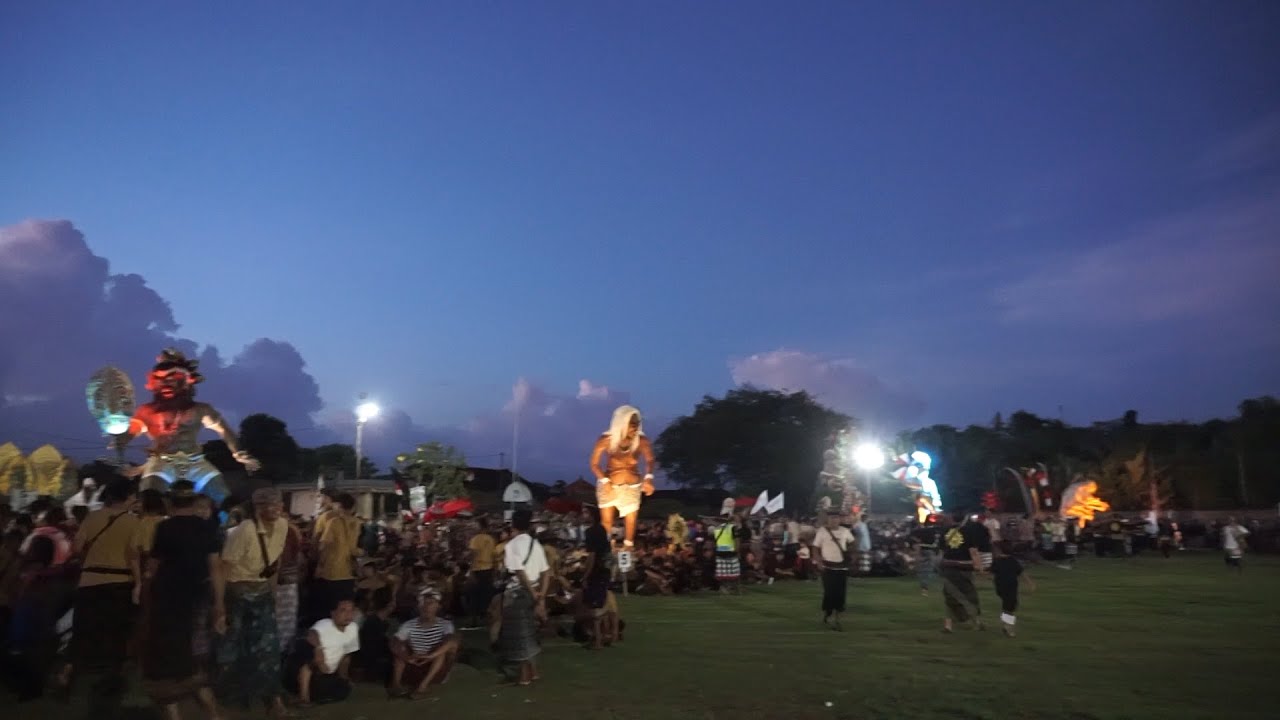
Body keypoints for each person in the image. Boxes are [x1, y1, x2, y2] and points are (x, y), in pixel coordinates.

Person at [141, 481, 224, 720]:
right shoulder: (208, 528)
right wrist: (219, 604)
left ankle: (174, 714)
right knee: (196, 657)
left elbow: (153, 566)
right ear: (194, 501)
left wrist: (144, 586)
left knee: (166, 660)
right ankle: (213, 715)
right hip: (198, 598)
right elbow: (215, 568)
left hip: (167, 599)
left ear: (169, 502)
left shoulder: (164, 528)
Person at [62, 476, 141, 715]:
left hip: (89, 581)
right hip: (119, 582)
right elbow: (133, 555)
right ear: (126, 497)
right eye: (133, 495)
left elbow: (76, 548)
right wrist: (138, 583)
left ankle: (67, 671)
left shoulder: (92, 517)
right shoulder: (132, 521)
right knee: (115, 632)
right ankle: (110, 681)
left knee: (83, 630)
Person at [216, 487, 290, 718]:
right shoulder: (245, 530)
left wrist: (273, 594)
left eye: (278, 504)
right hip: (237, 592)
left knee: (269, 647)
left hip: (262, 590)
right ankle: (232, 696)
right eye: (269, 505)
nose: (275, 508)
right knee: (233, 647)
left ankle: (273, 699)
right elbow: (224, 567)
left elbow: (274, 564)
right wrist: (219, 605)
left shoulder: (283, 526)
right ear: (258, 508)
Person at [588, 405, 657, 548]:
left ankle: (628, 547)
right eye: (632, 424)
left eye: (637, 423)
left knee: (631, 520)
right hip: (610, 484)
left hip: (632, 486)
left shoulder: (642, 440)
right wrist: (605, 481)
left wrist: (649, 478)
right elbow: (594, 464)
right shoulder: (606, 439)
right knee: (607, 521)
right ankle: (607, 549)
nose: (635, 427)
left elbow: (650, 460)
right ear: (622, 423)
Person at [498, 510, 550, 685]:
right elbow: (546, 572)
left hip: (518, 593)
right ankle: (533, 671)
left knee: (519, 634)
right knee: (530, 632)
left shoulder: (512, 545)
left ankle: (524, 676)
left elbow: (519, 572)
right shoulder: (536, 544)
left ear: (513, 524)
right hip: (535, 589)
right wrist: (540, 596)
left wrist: (533, 594)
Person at [390, 588, 459, 699]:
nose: (427, 607)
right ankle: (396, 685)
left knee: (443, 650)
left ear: (438, 606)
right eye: (424, 603)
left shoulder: (446, 624)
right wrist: (407, 657)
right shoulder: (409, 625)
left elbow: (451, 641)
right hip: (414, 663)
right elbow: (394, 642)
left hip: (435, 669)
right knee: (399, 648)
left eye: (431, 603)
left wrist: (431, 656)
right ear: (419, 606)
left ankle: (422, 687)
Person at [294, 598, 359, 707]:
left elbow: (346, 656)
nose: (348, 614)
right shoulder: (324, 624)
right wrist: (319, 650)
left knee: (343, 689)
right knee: (308, 655)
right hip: (314, 669)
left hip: (327, 672)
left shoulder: (353, 628)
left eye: (351, 610)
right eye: (343, 610)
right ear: (333, 613)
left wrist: (344, 677)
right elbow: (312, 634)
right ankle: (303, 697)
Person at [939, 512, 985, 633]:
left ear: (952, 518)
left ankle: (948, 625)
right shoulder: (969, 531)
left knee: (949, 596)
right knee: (970, 596)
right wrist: (979, 567)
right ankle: (977, 622)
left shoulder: (945, 530)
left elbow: (941, 550)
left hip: (948, 566)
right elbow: (973, 551)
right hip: (965, 567)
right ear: (964, 519)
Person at [811, 514, 855, 630]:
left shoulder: (845, 531)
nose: (834, 520)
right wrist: (818, 561)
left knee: (840, 593)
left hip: (842, 567)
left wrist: (852, 555)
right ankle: (828, 612)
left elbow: (853, 543)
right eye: (831, 518)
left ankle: (837, 619)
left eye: (836, 518)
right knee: (829, 592)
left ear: (839, 520)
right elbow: (815, 547)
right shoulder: (822, 531)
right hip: (827, 567)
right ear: (828, 519)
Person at [990, 540, 1035, 637]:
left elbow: (992, 574)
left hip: (1000, 587)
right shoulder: (1013, 561)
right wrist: (1030, 583)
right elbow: (1022, 573)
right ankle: (1009, 628)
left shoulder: (997, 561)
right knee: (1010, 607)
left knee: (1007, 606)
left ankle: (1006, 624)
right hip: (1011, 587)